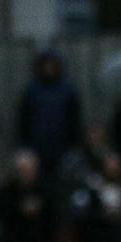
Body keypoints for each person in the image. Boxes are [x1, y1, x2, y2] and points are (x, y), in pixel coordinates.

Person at [15, 50, 82, 183]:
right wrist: (24, 144)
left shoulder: (67, 90)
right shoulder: (31, 90)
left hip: (62, 145)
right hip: (36, 145)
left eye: (51, 66)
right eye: (46, 66)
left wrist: (73, 143)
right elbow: (24, 118)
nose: (48, 69)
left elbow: (74, 118)